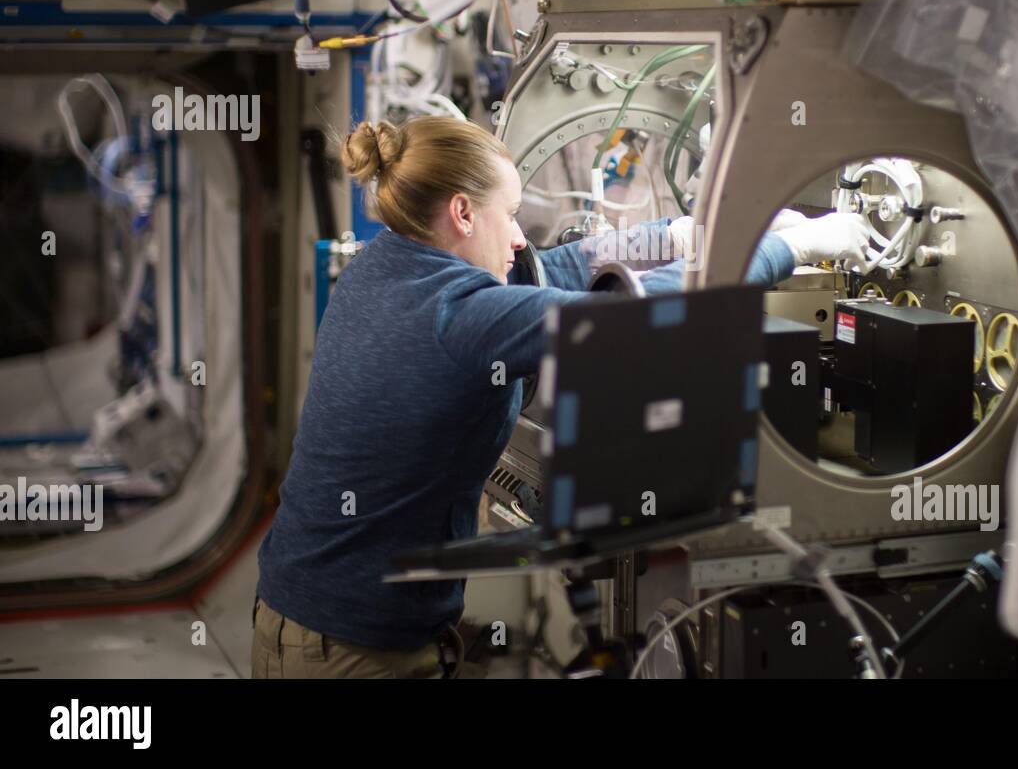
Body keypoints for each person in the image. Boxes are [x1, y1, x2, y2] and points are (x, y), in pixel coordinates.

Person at [252, 116, 873, 677]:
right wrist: (788, 250)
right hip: (345, 649)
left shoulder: (389, 265)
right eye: (511, 214)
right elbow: (626, 318)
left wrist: (679, 235)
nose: (519, 236)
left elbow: (550, 270)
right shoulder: (454, 315)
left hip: (319, 617)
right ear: (464, 213)